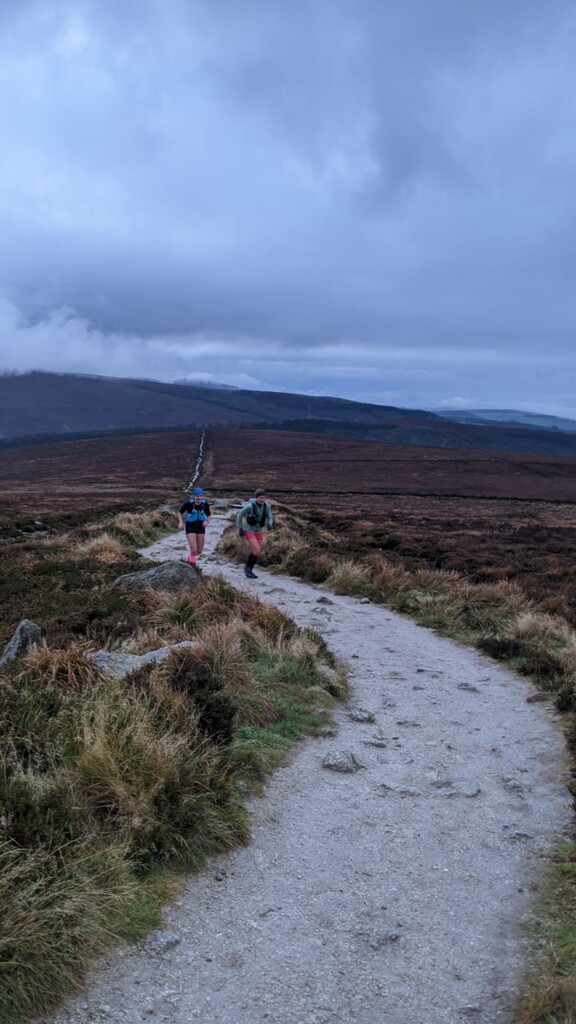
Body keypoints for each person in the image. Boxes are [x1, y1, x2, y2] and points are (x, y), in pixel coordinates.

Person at [236, 488, 274, 578]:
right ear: (256, 498)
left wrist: (270, 523)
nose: (262, 500)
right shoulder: (250, 506)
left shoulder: (266, 506)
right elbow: (239, 515)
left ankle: (249, 569)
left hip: (259, 531)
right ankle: (248, 569)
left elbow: (270, 516)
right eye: (261, 498)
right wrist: (240, 528)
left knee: (256, 552)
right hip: (249, 530)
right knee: (257, 550)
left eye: (264, 498)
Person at [178, 486, 211, 564]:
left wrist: (207, 522)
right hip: (190, 527)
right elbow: (179, 513)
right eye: (197, 496)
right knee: (193, 550)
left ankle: (190, 559)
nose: (199, 498)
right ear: (194, 496)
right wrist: (181, 522)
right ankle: (191, 566)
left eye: (200, 496)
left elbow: (209, 516)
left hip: (201, 527)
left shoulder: (205, 504)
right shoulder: (189, 504)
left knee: (199, 552)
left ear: (202, 496)